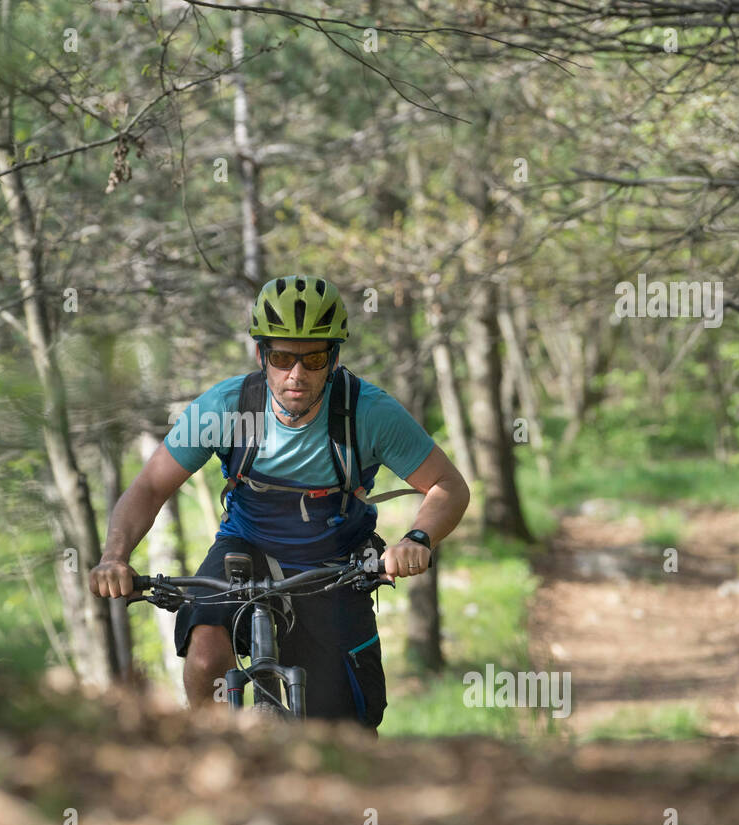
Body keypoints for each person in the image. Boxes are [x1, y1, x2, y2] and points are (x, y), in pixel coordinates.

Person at [88, 275, 470, 734]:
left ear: (333, 358)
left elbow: (447, 484)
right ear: (261, 355)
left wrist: (417, 537)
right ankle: (216, 759)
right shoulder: (227, 407)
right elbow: (149, 488)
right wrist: (114, 557)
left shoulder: (368, 412)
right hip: (244, 549)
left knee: (343, 726)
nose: (297, 374)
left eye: (313, 359)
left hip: (335, 563)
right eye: (283, 357)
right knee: (206, 652)